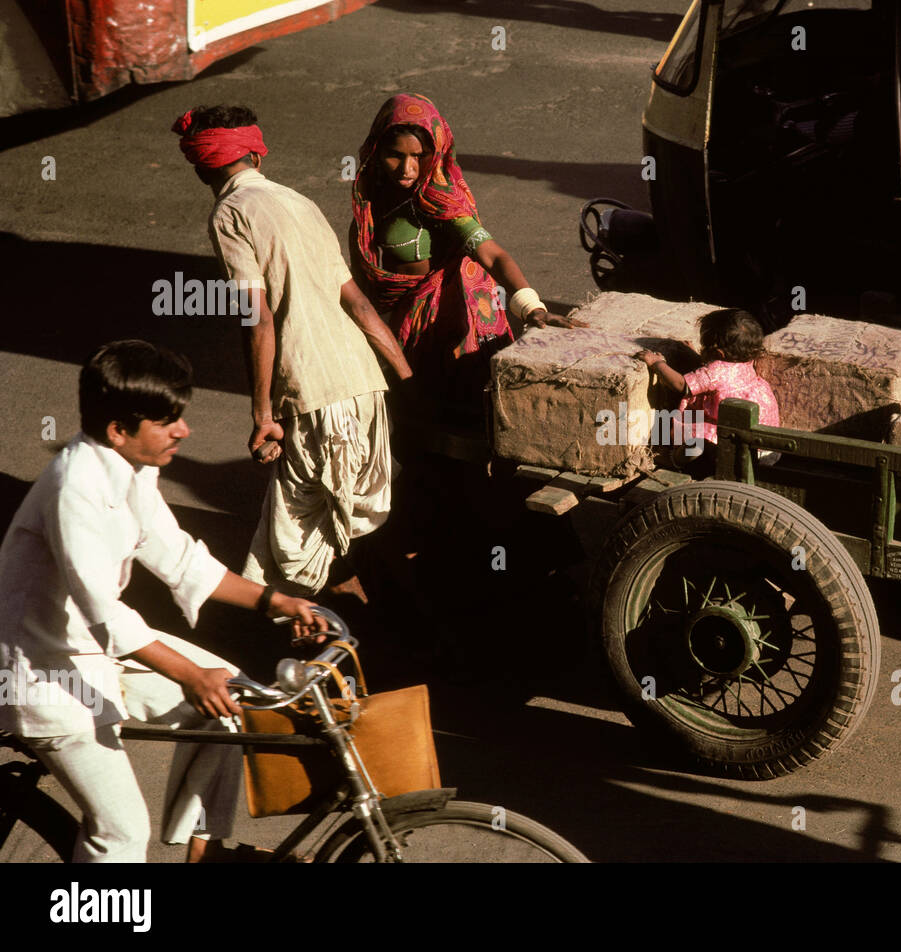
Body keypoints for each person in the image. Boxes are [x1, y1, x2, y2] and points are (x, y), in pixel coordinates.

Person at [0, 340, 326, 863]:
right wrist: (190, 677)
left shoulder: (132, 469)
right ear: (119, 431)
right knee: (122, 834)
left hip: (94, 653)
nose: (184, 431)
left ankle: (203, 851)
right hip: (46, 674)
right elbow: (103, 612)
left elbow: (181, 559)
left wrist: (276, 601)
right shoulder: (74, 488)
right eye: (168, 421)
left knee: (231, 704)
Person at [174, 104, 414, 599]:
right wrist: (405, 378)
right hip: (363, 385)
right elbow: (360, 305)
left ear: (202, 166)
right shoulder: (299, 201)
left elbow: (257, 320)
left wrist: (262, 413)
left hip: (316, 395)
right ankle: (370, 622)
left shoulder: (230, 214)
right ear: (256, 154)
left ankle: (319, 635)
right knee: (340, 522)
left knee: (300, 542)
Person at [349, 92, 584, 411]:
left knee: (442, 418)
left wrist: (531, 307)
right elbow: (362, 290)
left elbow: (492, 255)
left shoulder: (439, 204)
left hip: (437, 337)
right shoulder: (367, 207)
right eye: (395, 155)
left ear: (433, 153)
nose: (407, 168)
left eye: (418, 156)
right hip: (387, 334)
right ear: (376, 150)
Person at [635, 308, 780, 473]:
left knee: (695, 442)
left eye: (704, 347)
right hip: (768, 451)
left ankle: (673, 460)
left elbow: (681, 385)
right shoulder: (747, 362)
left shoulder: (716, 371)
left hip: (740, 456)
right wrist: (696, 356)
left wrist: (656, 363)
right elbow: (717, 375)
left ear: (718, 353)